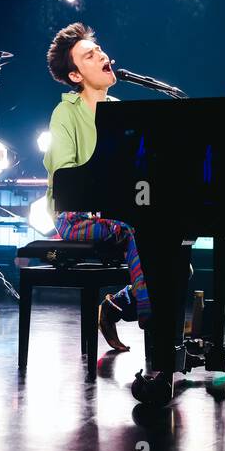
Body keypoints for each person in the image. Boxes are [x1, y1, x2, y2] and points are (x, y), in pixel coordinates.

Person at [42, 22, 149, 355]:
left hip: (113, 212)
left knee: (172, 254)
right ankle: (152, 320)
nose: (102, 55)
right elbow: (65, 176)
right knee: (130, 230)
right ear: (76, 75)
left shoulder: (118, 109)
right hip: (73, 215)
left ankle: (116, 306)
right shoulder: (65, 113)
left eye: (99, 49)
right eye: (90, 55)